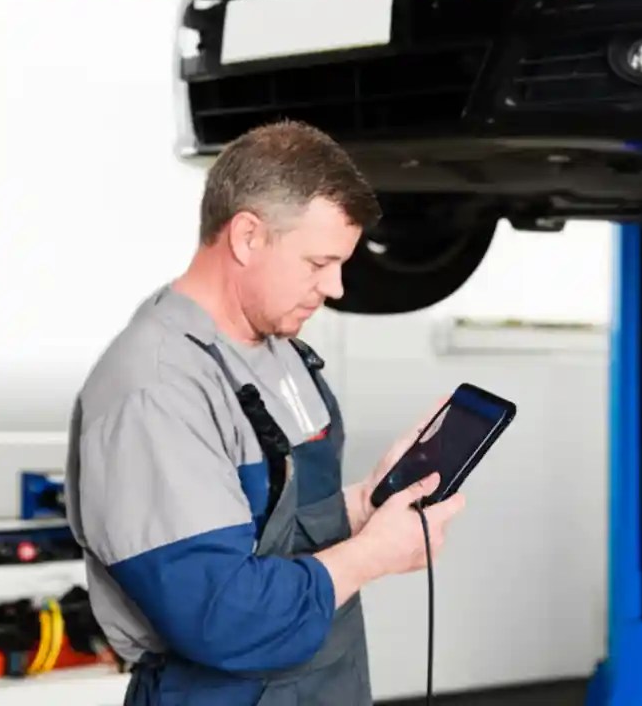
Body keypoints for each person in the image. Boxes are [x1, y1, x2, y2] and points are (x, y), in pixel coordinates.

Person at [64, 120, 466, 705]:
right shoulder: (156, 388)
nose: (336, 288)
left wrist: (365, 505)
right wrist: (374, 554)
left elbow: (278, 524)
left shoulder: (278, 351)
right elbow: (221, 616)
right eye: (317, 262)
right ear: (248, 236)